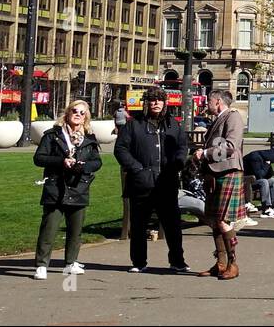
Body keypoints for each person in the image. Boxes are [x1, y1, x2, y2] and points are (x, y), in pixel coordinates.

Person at [114, 86, 188, 273]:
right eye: (152, 100)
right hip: (142, 181)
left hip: (166, 180)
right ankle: (139, 262)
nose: (156, 103)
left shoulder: (173, 124)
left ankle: (177, 261)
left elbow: (182, 146)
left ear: (165, 103)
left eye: (159, 100)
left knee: (172, 225)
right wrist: (137, 168)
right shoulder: (133, 124)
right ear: (146, 102)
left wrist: (178, 162)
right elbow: (121, 149)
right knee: (139, 224)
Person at [32, 99, 102, 279]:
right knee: (49, 227)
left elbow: (97, 162)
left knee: (75, 229)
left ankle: (71, 262)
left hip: (79, 187)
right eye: (75, 111)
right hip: (56, 186)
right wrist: (60, 162)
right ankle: (41, 264)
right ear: (68, 113)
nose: (78, 115)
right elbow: (39, 158)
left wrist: (83, 166)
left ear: (86, 117)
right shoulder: (53, 135)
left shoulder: (89, 138)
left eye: (82, 112)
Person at [194, 89, 245, 280]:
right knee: (215, 220)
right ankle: (221, 263)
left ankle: (233, 264)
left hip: (228, 172)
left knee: (223, 221)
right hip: (215, 174)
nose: (206, 104)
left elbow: (230, 147)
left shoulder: (233, 117)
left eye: (209, 101)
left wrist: (205, 153)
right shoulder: (219, 119)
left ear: (217, 102)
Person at [243, 147, 274, 218]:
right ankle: (266, 208)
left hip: (255, 180)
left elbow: (268, 175)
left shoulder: (264, 158)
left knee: (273, 180)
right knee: (264, 182)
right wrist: (267, 165)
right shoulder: (254, 157)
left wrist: (269, 165)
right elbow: (260, 175)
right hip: (247, 181)